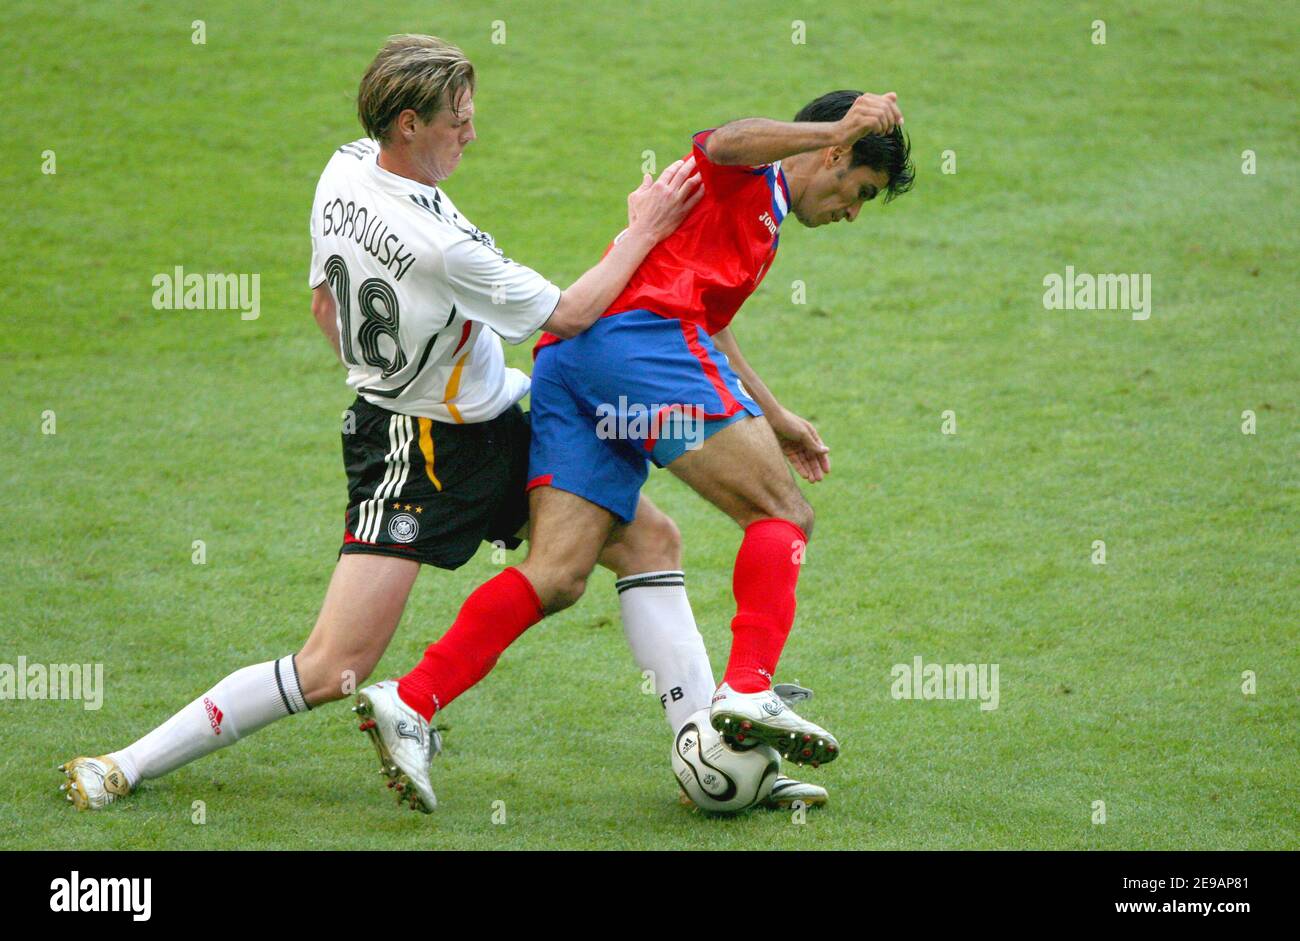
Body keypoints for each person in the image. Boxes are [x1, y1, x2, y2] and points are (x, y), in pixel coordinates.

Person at [56, 33, 761, 814]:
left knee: (649, 540)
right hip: (417, 450)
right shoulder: (445, 251)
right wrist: (647, 226)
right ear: (405, 124)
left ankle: (704, 746)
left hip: (489, 422)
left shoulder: (343, 168)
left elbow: (323, 302)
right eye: (457, 120)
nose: (471, 133)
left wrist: (373, 372)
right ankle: (125, 762)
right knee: (333, 665)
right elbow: (573, 310)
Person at [357, 87, 915, 812]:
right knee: (784, 514)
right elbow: (722, 140)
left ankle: (410, 698)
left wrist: (774, 415)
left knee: (558, 573)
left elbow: (711, 326)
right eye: (860, 190)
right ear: (834, 153)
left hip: (578, 367)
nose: (852, 211)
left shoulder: (763, 223)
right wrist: (833, 124)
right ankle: (748, 688)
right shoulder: (748, 172)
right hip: (636, 353)